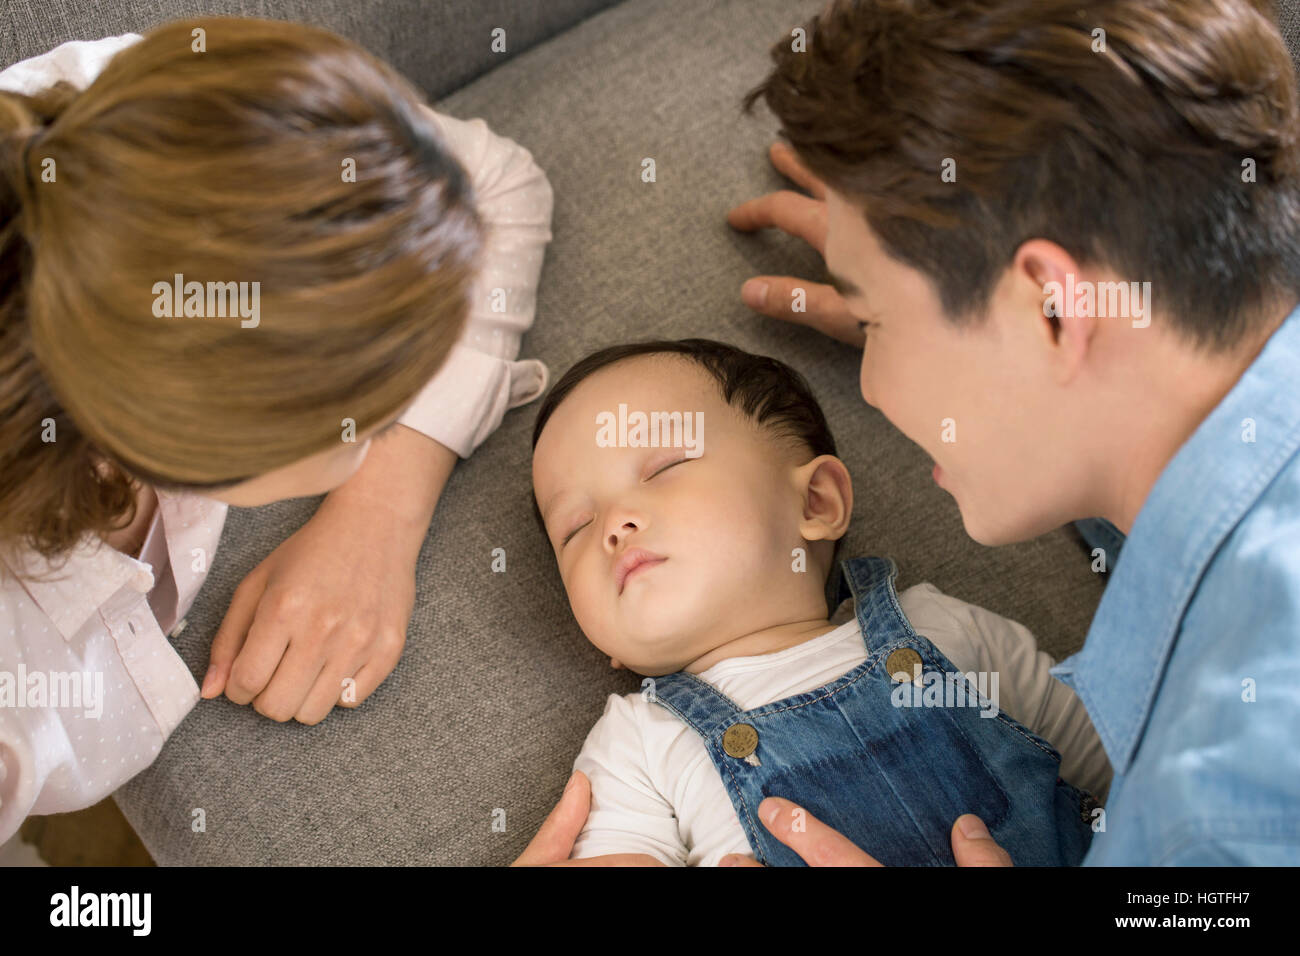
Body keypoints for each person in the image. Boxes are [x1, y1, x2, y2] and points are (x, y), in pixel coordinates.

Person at [521, 0, 1300, 866]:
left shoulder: (1228, 799)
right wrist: (986, 353)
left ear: (1052, 307)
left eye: (877, 323)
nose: (869, 388)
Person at [0, 18, 553, 844]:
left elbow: (495, 183)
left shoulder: (143, 119)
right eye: (378, 412)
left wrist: (382, 508)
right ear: (198, 435)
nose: (398, 413)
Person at [529, 338, 1110, 866]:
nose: (613, 525)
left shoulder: (942, 628)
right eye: (574, 527)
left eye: (664, 468)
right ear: (606, 646)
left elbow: (1129, 758)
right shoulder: (638, 743)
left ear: (815, 502)